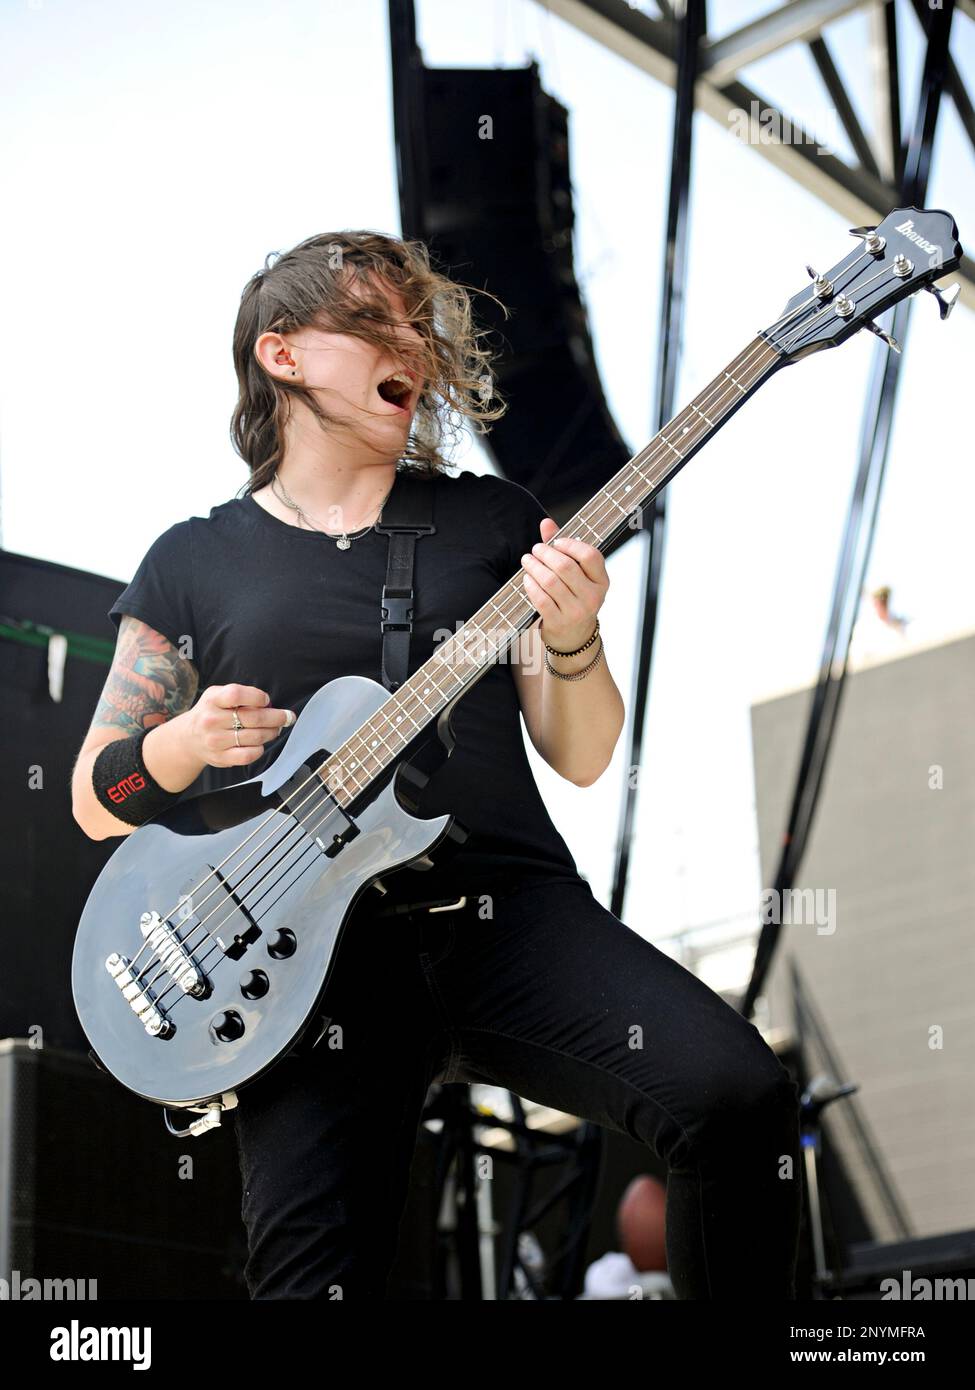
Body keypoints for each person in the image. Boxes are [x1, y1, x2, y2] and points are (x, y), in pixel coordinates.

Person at [71, 230, 802, 1300]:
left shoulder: (488, 519)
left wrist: (572, 636)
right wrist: (176, 746)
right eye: (375, 321)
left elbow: (584, 754)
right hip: (307, 962)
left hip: (508, 915)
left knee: (734, 1096)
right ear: (284, 354)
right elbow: (96, 797)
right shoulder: (193, 559)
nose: (411, 342)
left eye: (420, 323)